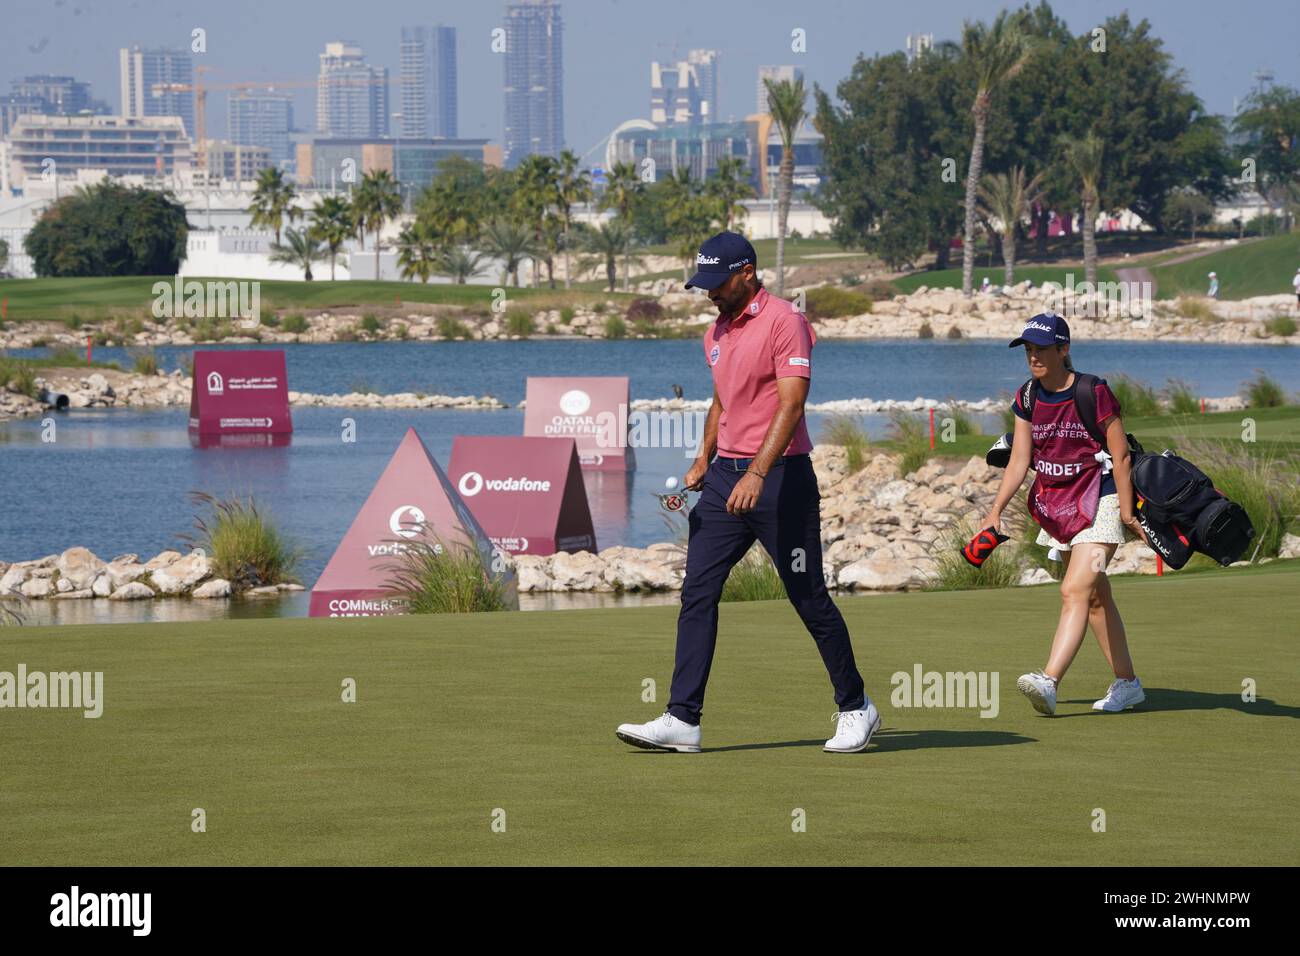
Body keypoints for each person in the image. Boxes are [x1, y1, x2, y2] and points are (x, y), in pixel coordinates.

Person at [615, 232, 878, 754]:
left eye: (717, 283)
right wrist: (701, 457)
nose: (709, 293)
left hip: (781, 480)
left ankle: (856, 707)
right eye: (704, 284)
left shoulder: (785, 321)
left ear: (747, 273)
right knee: (698, 591)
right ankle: (682, 719)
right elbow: (721, 402)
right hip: (723, 481)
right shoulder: (714, 331)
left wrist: (758, 472)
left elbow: (792, 403)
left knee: (807, 596)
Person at [982, 314, 1145, 716]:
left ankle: (1049, 680)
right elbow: (1020, 459)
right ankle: (1128, 685)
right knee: (1093, 597)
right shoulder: (1028, 396)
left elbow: (1121, 454)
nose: (1033, 356)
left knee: (1073, 589)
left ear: (1064, 349)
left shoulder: (1094, 391)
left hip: (1103, 500)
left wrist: (1126, 512)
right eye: (1028, 349)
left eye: (1041, 348)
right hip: (1061, 506)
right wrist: (995, 509)